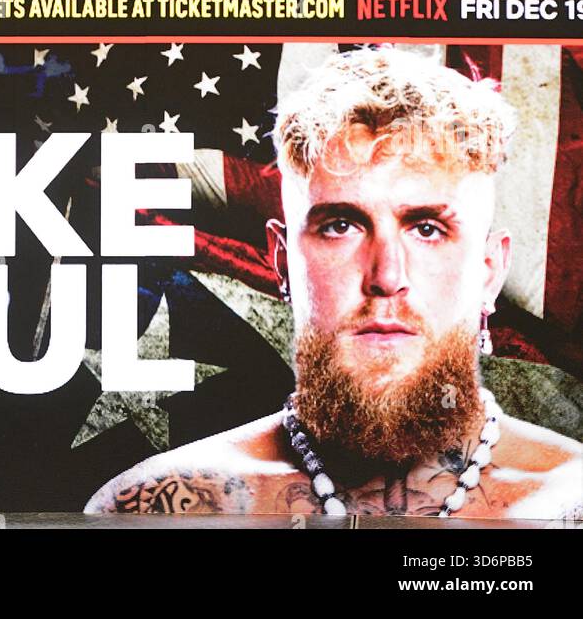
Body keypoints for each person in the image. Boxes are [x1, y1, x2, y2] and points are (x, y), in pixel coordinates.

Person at [85, 47, 583, 518]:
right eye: (341, 226)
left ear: (489, 273)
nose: (387, 277)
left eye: (427, 229)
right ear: (282, 263)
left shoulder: (569, 502)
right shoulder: (162, 508)